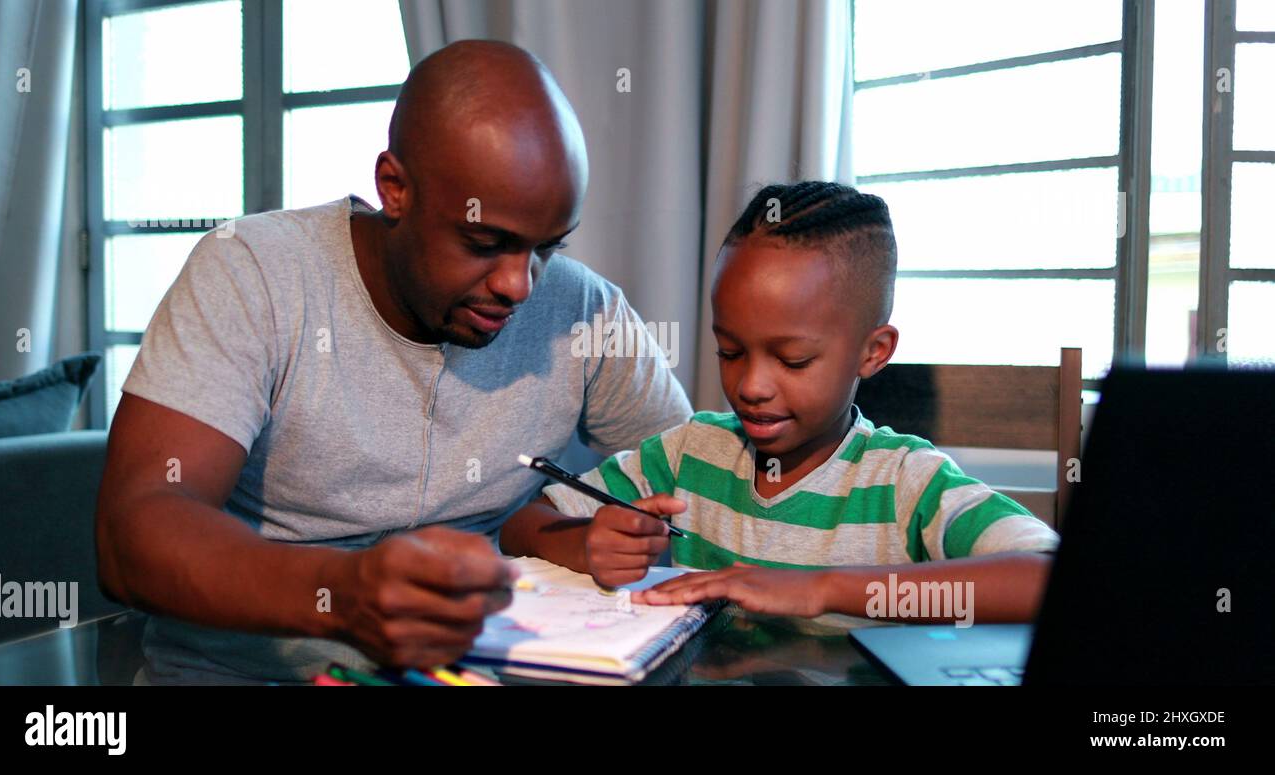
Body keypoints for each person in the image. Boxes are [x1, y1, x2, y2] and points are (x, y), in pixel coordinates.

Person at [94, 40, 691, 684]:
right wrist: (343, 593)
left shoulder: (584, 310)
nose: (521, 284)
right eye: (486, 242)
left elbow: (704, 478)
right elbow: (135, 535)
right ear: (394, 188)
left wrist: (574, 532)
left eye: (546, 247)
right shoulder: (254, 274)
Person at [504, 181, 1058, 623]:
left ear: (873, 352)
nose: (752, 386)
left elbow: (1048, 580)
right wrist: (588, 544)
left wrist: (821, 589)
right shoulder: (690, 453)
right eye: (730, 351)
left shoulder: (905, 482)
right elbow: (523, 524)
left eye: (792, 360)